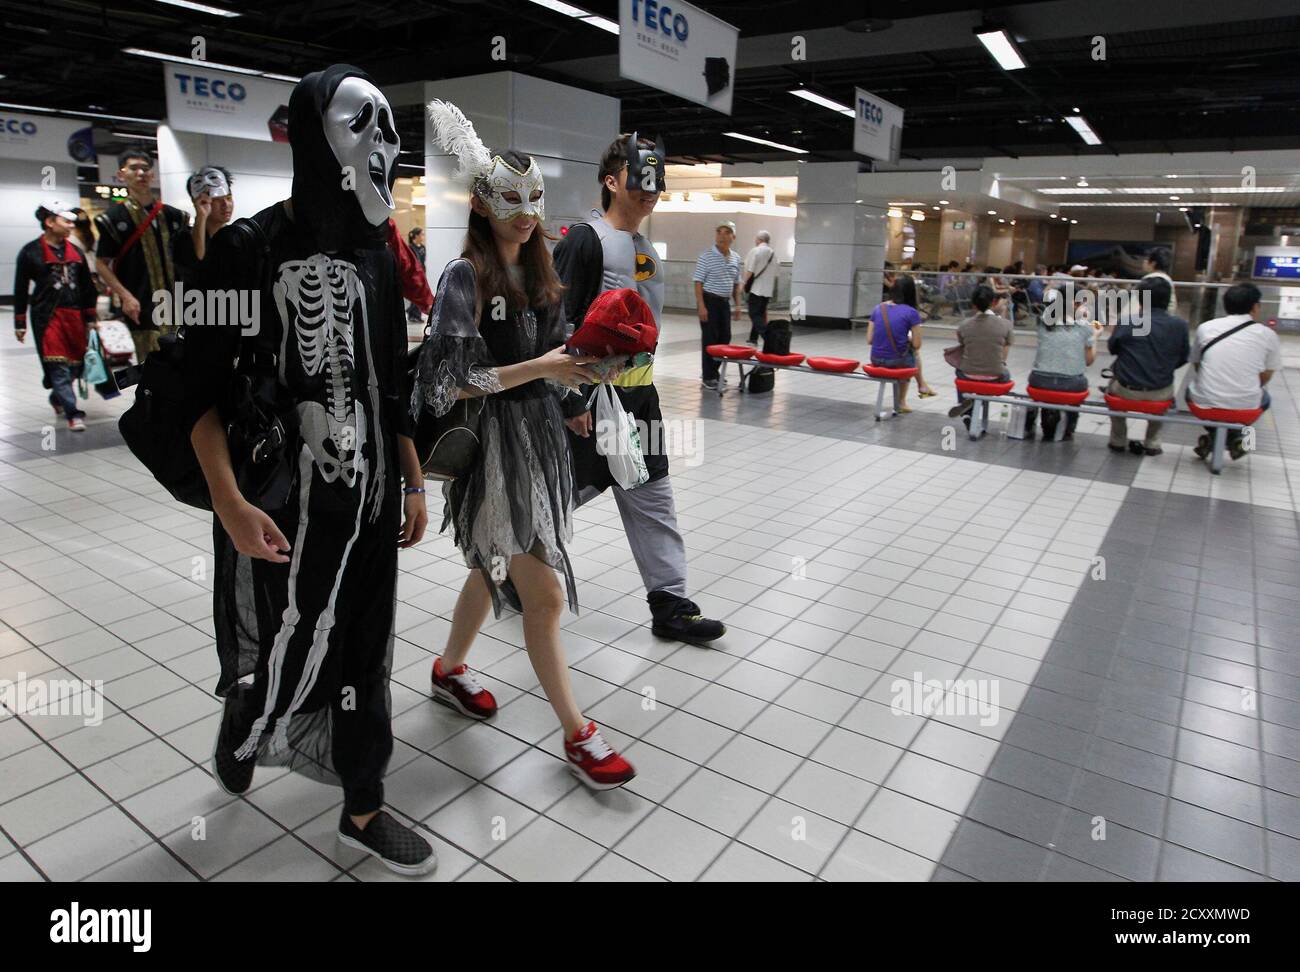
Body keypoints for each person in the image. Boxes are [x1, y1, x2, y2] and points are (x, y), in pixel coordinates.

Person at [182, 65, 435, 875]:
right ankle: (250, 709)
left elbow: (388, 378)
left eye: (392, 131)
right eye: (366, 126)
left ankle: (362, 805)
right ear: (314, 139)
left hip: (367, 496)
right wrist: (226, 501)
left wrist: (413, 475)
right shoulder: (243, 249)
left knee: (364, 647)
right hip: (280, 501)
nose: (386, 148)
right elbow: (189, 391)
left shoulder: (380, 257)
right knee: (290, 631)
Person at [417, 100, 636, 790]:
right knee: (542, 596)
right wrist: (543, 371)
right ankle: (578, 732)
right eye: (509, 199)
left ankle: (448, 669)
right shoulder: (463, 278)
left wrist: (575, 394)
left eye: (533, 198)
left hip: (538, 440)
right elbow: (453, 382)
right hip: (488, 450)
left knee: (493, 566)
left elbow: (556, 353)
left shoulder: (541, 274)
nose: (524, 211)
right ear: (481, 205)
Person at [549, 132, 725, 647]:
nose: (651, 191)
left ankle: (670, 604)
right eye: (639, 178)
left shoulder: (646, 247)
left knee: (653, 496)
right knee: (557, 498)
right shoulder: (585, 240)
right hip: (590, 400)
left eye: (657, 181)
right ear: (611, 180)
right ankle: (513, 568)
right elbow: (554, 322)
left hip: (638, 399)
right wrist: (569, 398)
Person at [94, 148, 190, 364]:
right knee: (151, 365)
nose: (141, 173)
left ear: (152, 175)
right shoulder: (114, 219)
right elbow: (101, 264)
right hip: (142, 302)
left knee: (184, 363)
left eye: (145, 169)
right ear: (121, 174)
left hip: (179, 302)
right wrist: (125, 296)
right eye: (134, 168)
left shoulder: (174, 216)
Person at [13, 202, 100, 430]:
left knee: (75, 365)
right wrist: (19, 322)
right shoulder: (30, 252)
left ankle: (56, 397)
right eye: (66, 221)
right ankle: (73, 412)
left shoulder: (76, 253)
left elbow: (87, 287)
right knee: (57, 365)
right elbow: (21, 288)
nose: (71, 225)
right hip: (47, 317)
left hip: (75, 316)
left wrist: (91, 317)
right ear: (50, 223)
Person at [1187, 283, 1280, 461]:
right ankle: (1236, 437)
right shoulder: (1268, 335)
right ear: (1255, 307)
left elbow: (1198, 365)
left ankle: (1214, 437)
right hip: (1246, 408)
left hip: (1203, 405)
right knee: (1264, 398)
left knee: (1191, 391)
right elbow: (1266, 376)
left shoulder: (1205, 328)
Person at [1106, 277, 1189, 456]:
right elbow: (1183, 357)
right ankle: (1152, 441)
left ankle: (1118, 439)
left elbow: (1113, 349)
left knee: (1111, 387)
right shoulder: (1180, 326)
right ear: (1168, 300)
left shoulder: (1128, 321)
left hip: (1126, 390)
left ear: (1141, 299)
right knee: (1163, 393)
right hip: (1161, 391)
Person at [1024, 291, 1098, 441]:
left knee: (1048, 383)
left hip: (1039, 380)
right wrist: (1095, 336)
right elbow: (1089, 361)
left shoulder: (1042, 323)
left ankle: (1041, 419)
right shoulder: (1084, 327)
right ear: (1075, 305)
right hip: (1071, 384)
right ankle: (1069, 428)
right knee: (1077, 381)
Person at [866, 275, 934, 410]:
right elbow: (917, 344)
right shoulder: (912, 313)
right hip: (896, 361)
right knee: (913, 354)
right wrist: (906, 339)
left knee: (909, 354)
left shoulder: (879, 308)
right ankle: (902, 402)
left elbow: (869, 340)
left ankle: (922, 386)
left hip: (875, 359)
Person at [948, 284, 1014, 425]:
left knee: (960, 371)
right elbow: (1004, 355)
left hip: (967, 374)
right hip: (995, 375)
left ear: (973, 304)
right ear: (994, 302)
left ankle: (967, 408)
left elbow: (963, 344)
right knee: (1004, 372)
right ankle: (977, 404)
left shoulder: (964, 325)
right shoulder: (1006, 325)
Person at [694, 220, 742, 388]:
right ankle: (708, 376)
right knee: (710, 339)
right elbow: (698, 282)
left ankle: (713, 371)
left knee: (724, 338)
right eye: (719, 232)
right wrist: (701, 306)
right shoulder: (706, 256)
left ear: (733, 237)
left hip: (724, 303)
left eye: (726, 232)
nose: (722, 236)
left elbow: (736, 284)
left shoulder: (736, 258)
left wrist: (737, 305)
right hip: (709, 301)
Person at [182, 164, 236, 270]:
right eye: (217, 199)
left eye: (228, 198)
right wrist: (201, 216)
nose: (226, 204)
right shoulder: (184, 237)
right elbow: (196, 261)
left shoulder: (236, 236)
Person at [742, 229, 777, 345]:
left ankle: (769, 337)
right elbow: (777, 273)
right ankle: (753, 338)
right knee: (760, 314)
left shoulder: (756, 251)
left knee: (754, 314)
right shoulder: (773, 253)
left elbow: (750, 270)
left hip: (756, 289)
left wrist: (744, 283)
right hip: (768, 290)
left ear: (759, 240)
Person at [1141, 246, 1174, 310]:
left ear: (1153, 263)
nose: (1144, 262)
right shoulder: (1167, 279)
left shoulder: (1149, 280)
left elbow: (1142, 306)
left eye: (1146, 259)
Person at [406, 227, 427, 323]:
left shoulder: (422, 247)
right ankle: (412, 314)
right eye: (422, 234)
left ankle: (414, 313)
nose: (423, 236)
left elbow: (423, 262)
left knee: (420, 295)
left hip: (421, 273)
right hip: (413, 274)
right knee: (416, 295)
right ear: (416, 236)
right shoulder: (410, 248)